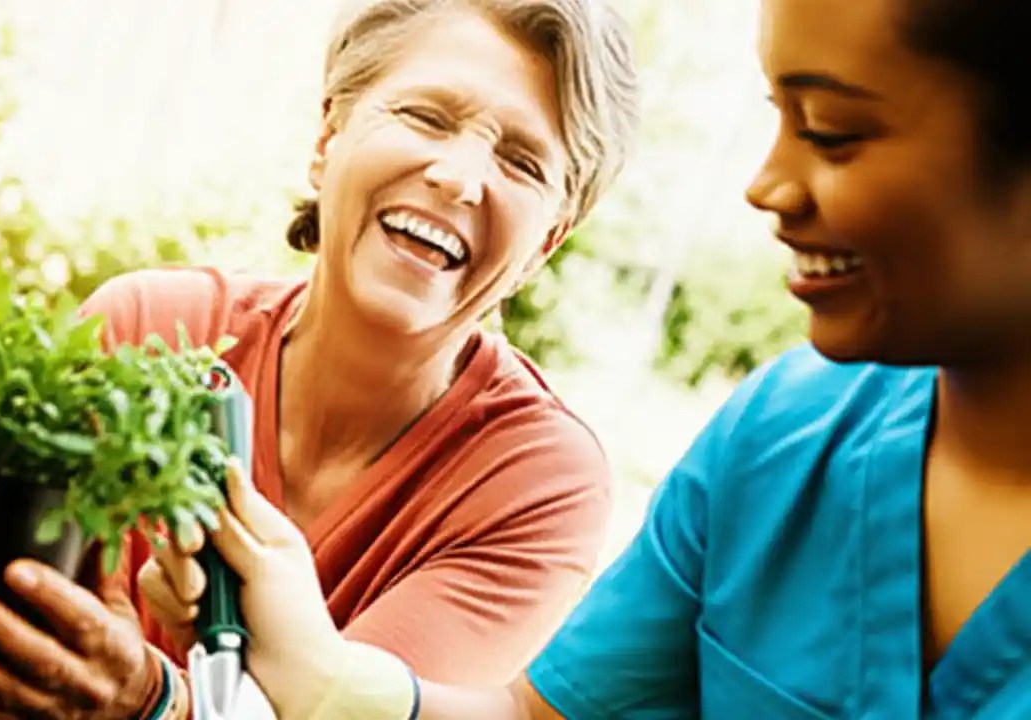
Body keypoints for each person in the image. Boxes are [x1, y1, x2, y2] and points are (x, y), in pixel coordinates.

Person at [142, 0, 1031, 717]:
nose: (765, 185)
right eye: (780, 118)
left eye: (834, 130)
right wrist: (323, 676)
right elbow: (535, 715)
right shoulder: (778, 437)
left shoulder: (538, 473)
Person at [0, 0, 640, 716]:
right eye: (427, 116)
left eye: (522, 163)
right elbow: (5, 656)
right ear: (328, 139)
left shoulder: (536, 480)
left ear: (547, 242)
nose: (460, 178)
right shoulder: (148, 327)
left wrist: (153, 704)